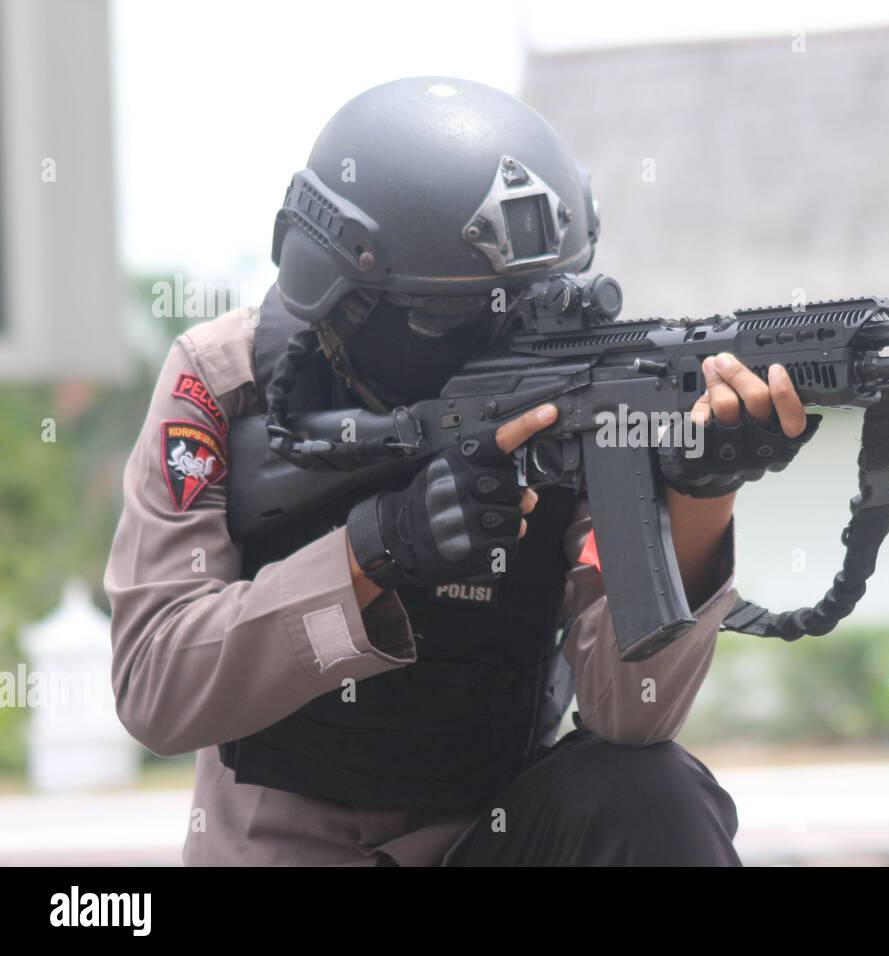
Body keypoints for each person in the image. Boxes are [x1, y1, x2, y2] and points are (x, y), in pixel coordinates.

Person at [104, 77, 817, 866]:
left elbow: (634, 716)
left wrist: (700, 498)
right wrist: (372, 552)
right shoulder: (223, 382)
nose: (504, 334)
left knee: (657, 795)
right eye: (457, 316)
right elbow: (154, 687)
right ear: (344, 297)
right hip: (283, 851)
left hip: (487, 837)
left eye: (526, 303)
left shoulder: (581, 394)